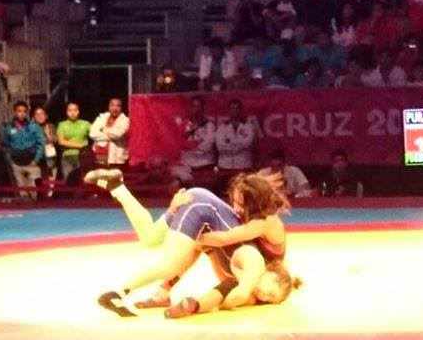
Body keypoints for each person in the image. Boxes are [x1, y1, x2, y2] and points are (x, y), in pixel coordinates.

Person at [85, 170, 295, 316]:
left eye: (240, 204)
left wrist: (168, 289)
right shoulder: (265, 224)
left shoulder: (246, 262)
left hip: (199, 206)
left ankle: (117, 186)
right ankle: (119, 293)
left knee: (150, 238)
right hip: (200, 208)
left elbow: (207, 251)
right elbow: (223, 239)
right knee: (172, 263)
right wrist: (192, 239)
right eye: (236, 203)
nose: (236, 209)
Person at [0, 101, 47, 199]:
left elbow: (41, 144)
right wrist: (10, 159)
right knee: (22, 194)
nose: (21, 113)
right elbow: (5, 144)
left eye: (24, 111)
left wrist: (36, 160)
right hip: (16, 163)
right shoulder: (8, 127)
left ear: (27, 112)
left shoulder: (33, 127)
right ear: (14, 112)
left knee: (34, 193)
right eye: (19, 111)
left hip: (31, 163)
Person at [215, 98, 256, 175]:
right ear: (229, 110)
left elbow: (247, 143)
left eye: (237, 108)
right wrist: (239, 145)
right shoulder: (222, 127)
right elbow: (220, 147)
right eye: (232, 108)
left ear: (241, 110)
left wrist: (229, 143)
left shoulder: (248, 126)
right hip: (225, 166)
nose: (235, 110)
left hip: (243, 165)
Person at [89, 98, 130, 168]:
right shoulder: (102, 117)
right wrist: (109, 135)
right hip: (99, 157)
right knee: (100, 178)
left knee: (116, 178)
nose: (115, 108)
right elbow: (92, 133)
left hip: (116, 159)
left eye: (118, 106)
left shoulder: (125, 120)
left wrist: (103, 130)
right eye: (112, 105)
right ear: (109, 107)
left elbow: (116, 135)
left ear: (121, 108)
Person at [56, 102, 90, 183]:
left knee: (83, 182)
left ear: (78, 111)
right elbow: (61, 142)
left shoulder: (85, 124)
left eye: (75, 110)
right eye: (70, 110)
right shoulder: (62, 125)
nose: (72, 113)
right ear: (66, 112)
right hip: (67, 157)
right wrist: (81, 145)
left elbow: (96, 133)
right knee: (69, 183)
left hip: (82, 157)